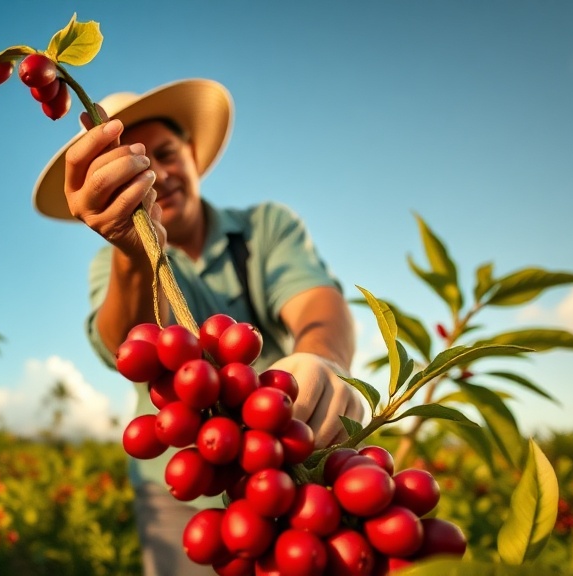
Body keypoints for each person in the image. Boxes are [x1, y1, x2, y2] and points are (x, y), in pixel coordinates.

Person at [32, 78, 365, 575]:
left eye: (164, 154)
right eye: (136, 167)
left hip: (293, 462)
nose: (158, 176)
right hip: (182, 500)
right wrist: (133, 252)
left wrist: (323, 358)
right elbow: (123, 345)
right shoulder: (113, 265)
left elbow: (318, 303)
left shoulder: (264, 228)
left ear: (192, 153)